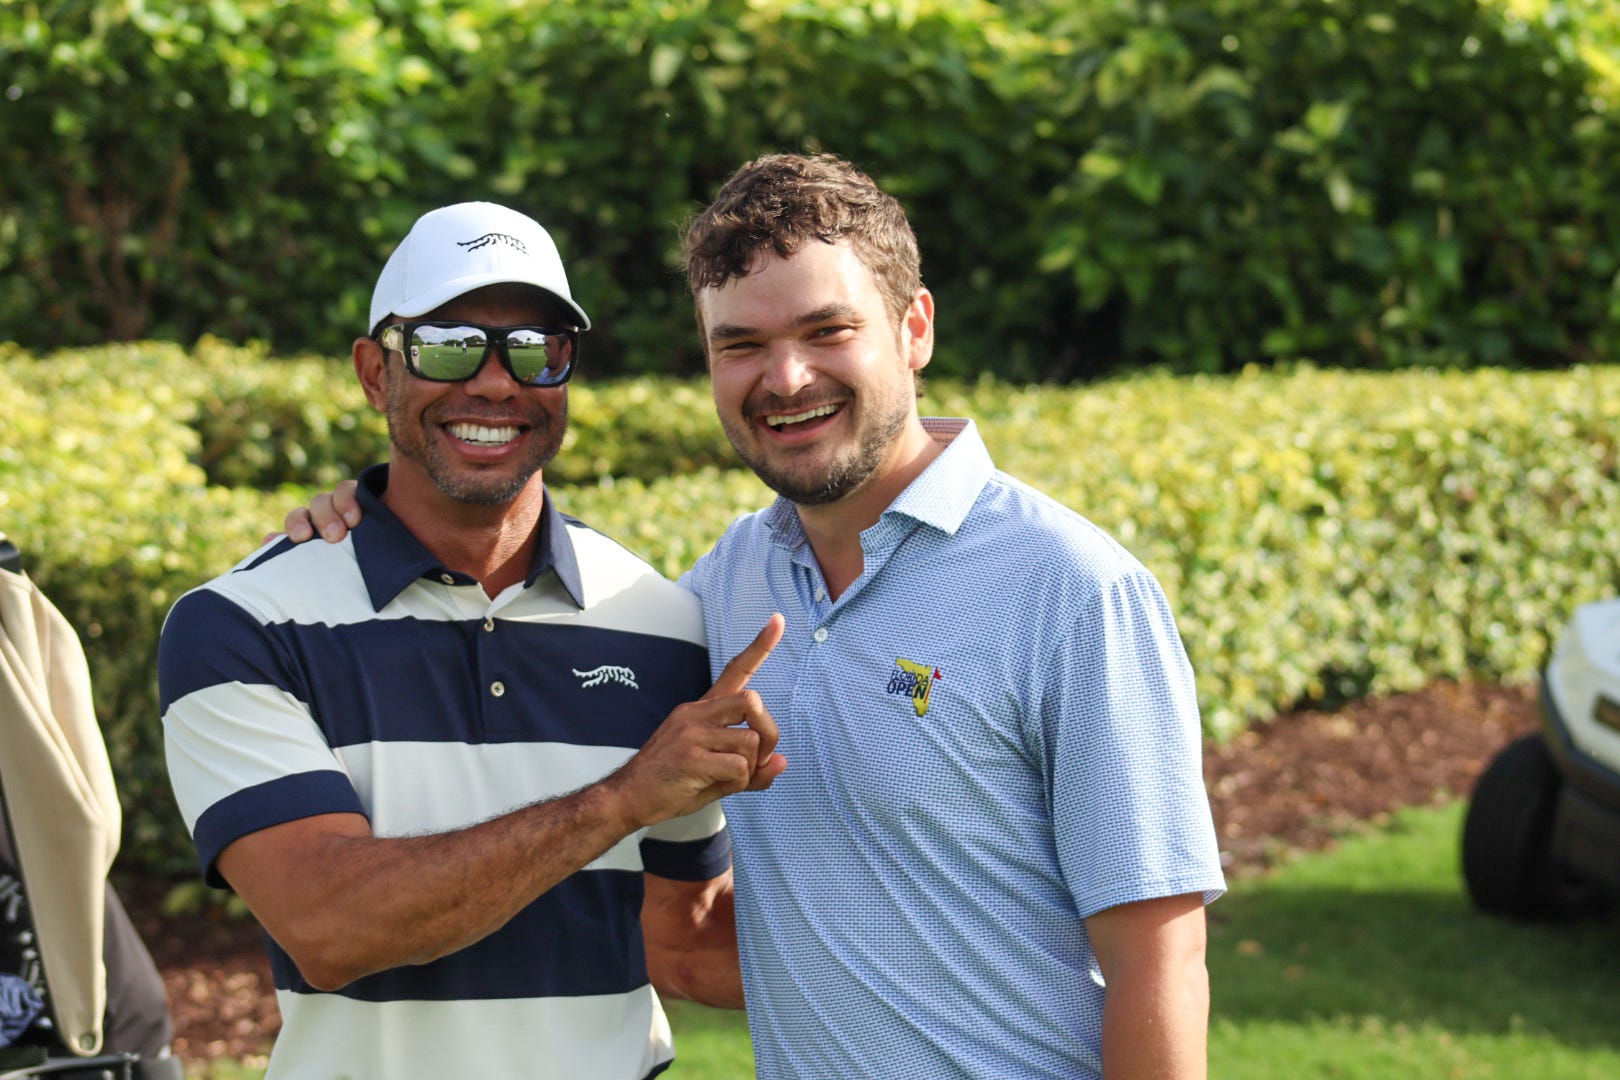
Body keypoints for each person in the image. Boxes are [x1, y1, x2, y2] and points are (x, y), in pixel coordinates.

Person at [291, 156, 1227, 1078]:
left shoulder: (1068, 588)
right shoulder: (720, 593)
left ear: (915, 328)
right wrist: (362, 520)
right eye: (740, 344)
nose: (784, 378)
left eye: (827, 331)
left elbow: (1163, 959)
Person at [159, 202, 786, 1080]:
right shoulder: (243, 624)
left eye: (536, 347)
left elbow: (679, 944)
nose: (497, 382)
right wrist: (620, 799)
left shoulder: (661, 620)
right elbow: (329, 926)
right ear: (376, 374)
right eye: (451, 344)